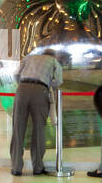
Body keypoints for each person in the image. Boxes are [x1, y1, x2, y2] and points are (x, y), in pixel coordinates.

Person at [10, 47, 64, 175]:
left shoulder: (29, 58)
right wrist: (49, 85)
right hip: (41, 90)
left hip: (22, 89)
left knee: (17, 128)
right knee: (39, 129)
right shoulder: (54, 62)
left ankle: (16, 168)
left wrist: (23, 85)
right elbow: (59, 81)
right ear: (54, 55)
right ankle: (38, 167)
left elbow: (16, 74)